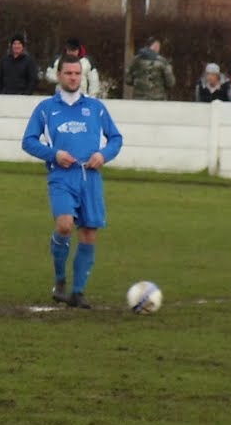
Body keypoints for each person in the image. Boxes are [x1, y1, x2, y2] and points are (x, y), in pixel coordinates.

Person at [21, 57, 123, 309]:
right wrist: (54, 154)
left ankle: (78, 292)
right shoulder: (46, 108)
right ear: (59, 75)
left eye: (77, 73)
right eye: (68, 73)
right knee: (65, 225)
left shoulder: (96, 108)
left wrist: (103, 155)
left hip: (91, 178)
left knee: (88, 233)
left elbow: (116, 138)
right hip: (61, 176)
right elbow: (28, 141)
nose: (73, 77)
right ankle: (60, 280)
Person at [124, 36, 174, 101]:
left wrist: (139, 84)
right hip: (157, 99)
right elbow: (170, 83)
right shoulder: (162, 61)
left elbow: (128, 80)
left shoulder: (136, 60)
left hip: (139, 99)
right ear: (156, 45)